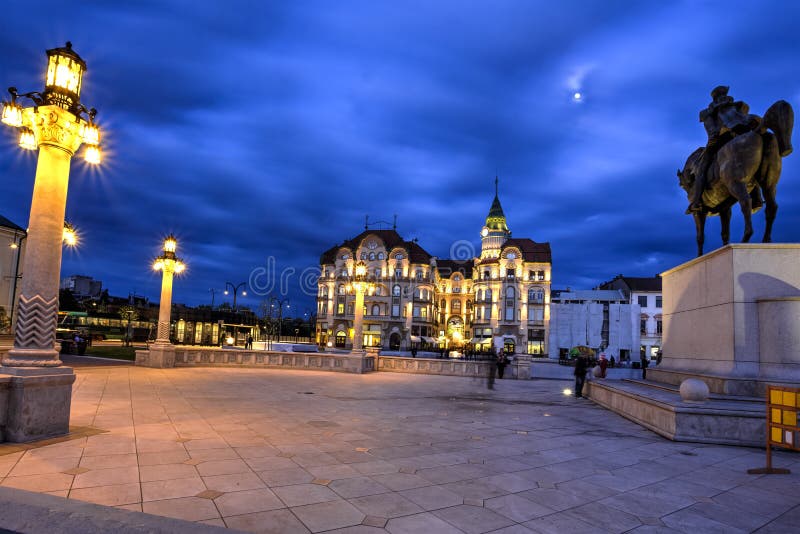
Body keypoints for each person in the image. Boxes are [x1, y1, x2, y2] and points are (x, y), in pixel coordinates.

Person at [688, 86, 760, 213]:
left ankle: (696, 201)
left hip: (729, 139)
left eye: (723, 94)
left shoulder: (732, 108)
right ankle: (756, 197)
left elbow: (713, 131)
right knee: (704, 166)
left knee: (702, 168)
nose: (723, 97)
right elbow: (713, 129)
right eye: (721, 95)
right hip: (728, 139)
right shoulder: (723, 110)